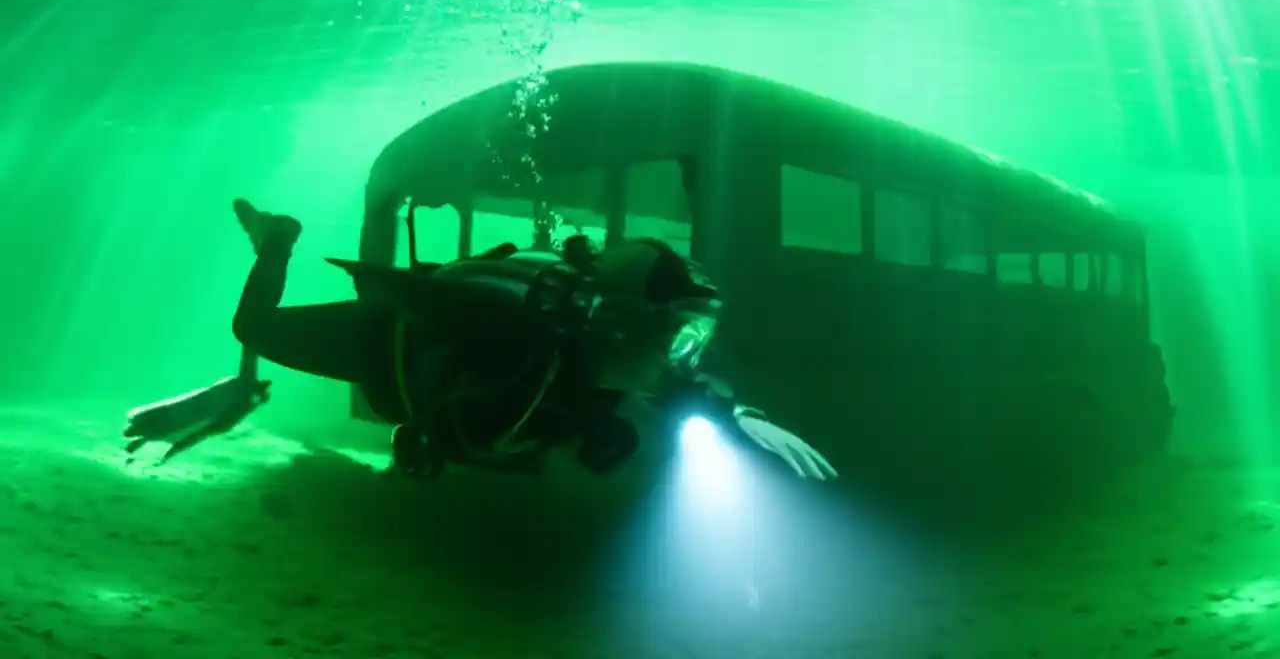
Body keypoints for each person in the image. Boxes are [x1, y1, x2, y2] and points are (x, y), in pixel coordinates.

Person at [124, 199, 837, 482]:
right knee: (251, 329)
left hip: (414, 344)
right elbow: (451, 415)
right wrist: (420, 444)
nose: (678, 349)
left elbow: (683, 388)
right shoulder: (532, 337)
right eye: (674, 330)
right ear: (624, 319)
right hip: (384, 342)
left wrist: (742, 413)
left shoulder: (607, 353)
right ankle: (278, 243)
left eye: (687, 333)